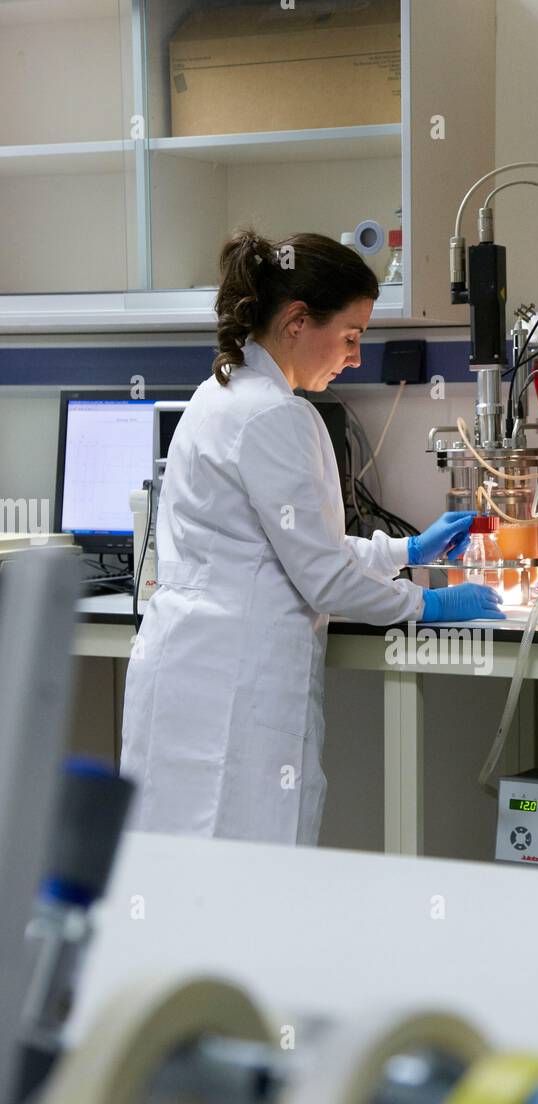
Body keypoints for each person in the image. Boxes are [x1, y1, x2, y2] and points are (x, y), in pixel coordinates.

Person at [120, 230, 502, 846]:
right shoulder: (274, 415)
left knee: (190, 881)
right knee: (244, 878)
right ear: (298, 321)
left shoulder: (223, 395)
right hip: (233, 683)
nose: (355, 357)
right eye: (350, 336)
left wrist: (405, 551)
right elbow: (322, 576)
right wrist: (427, 604)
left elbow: (289, 548)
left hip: (195, 671)